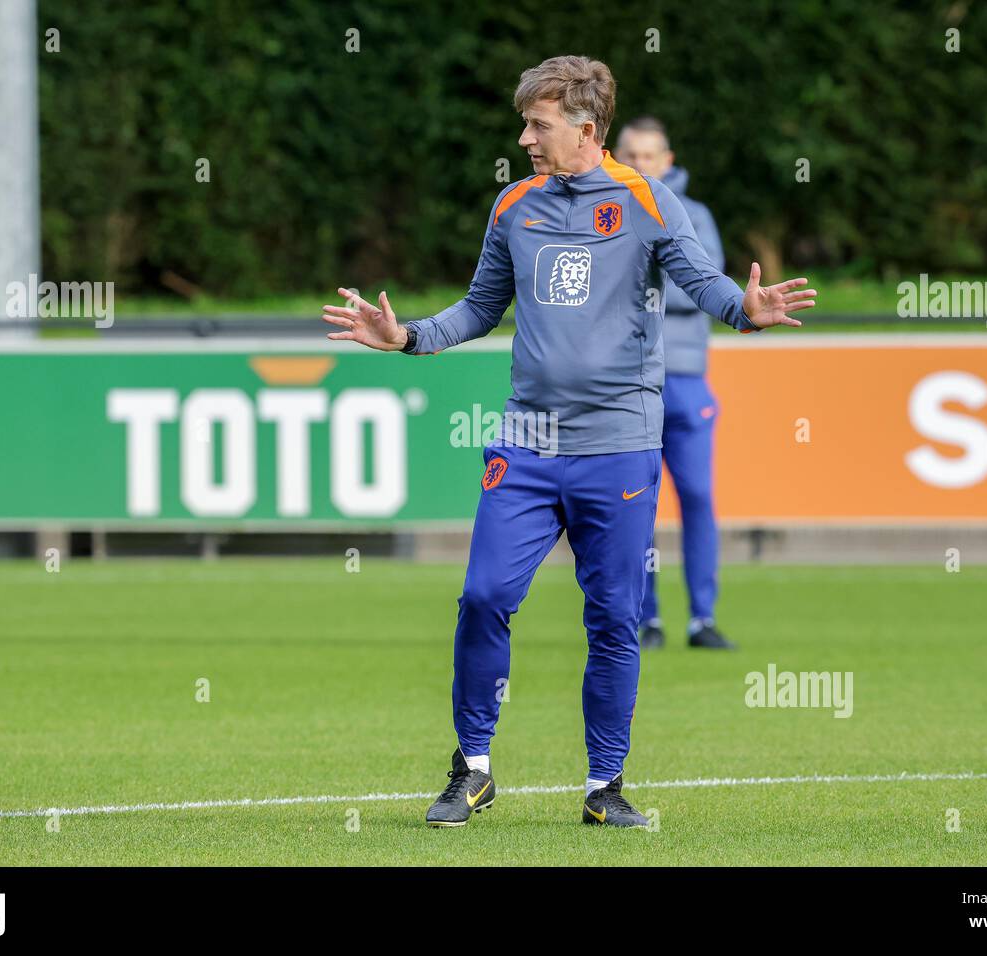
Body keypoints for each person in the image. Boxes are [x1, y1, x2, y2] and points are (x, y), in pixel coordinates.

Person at [321, 55, 815, 828]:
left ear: (585, 129)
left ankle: (604, 787)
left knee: (614, 617)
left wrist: (746, 310)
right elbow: (480, 308)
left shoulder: (646, 200)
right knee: (484, 595)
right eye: (524, 122)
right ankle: (473, 769)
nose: (523, 137)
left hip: (618, 445)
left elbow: (702, 279)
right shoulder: (513, 206)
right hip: (525, 442)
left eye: (537, 124)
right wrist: (407, 335)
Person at [615, 117, 734, 651]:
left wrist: (643, 286)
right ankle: (648, 619)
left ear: (669, 160)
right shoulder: (607, 212)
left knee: (698, 497)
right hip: (632, 382)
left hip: (684, 379)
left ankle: (701, 618)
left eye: (650, 156)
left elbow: (706, 284)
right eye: (632, 155)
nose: (641, 165)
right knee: (636, 501)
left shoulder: (696, 215)